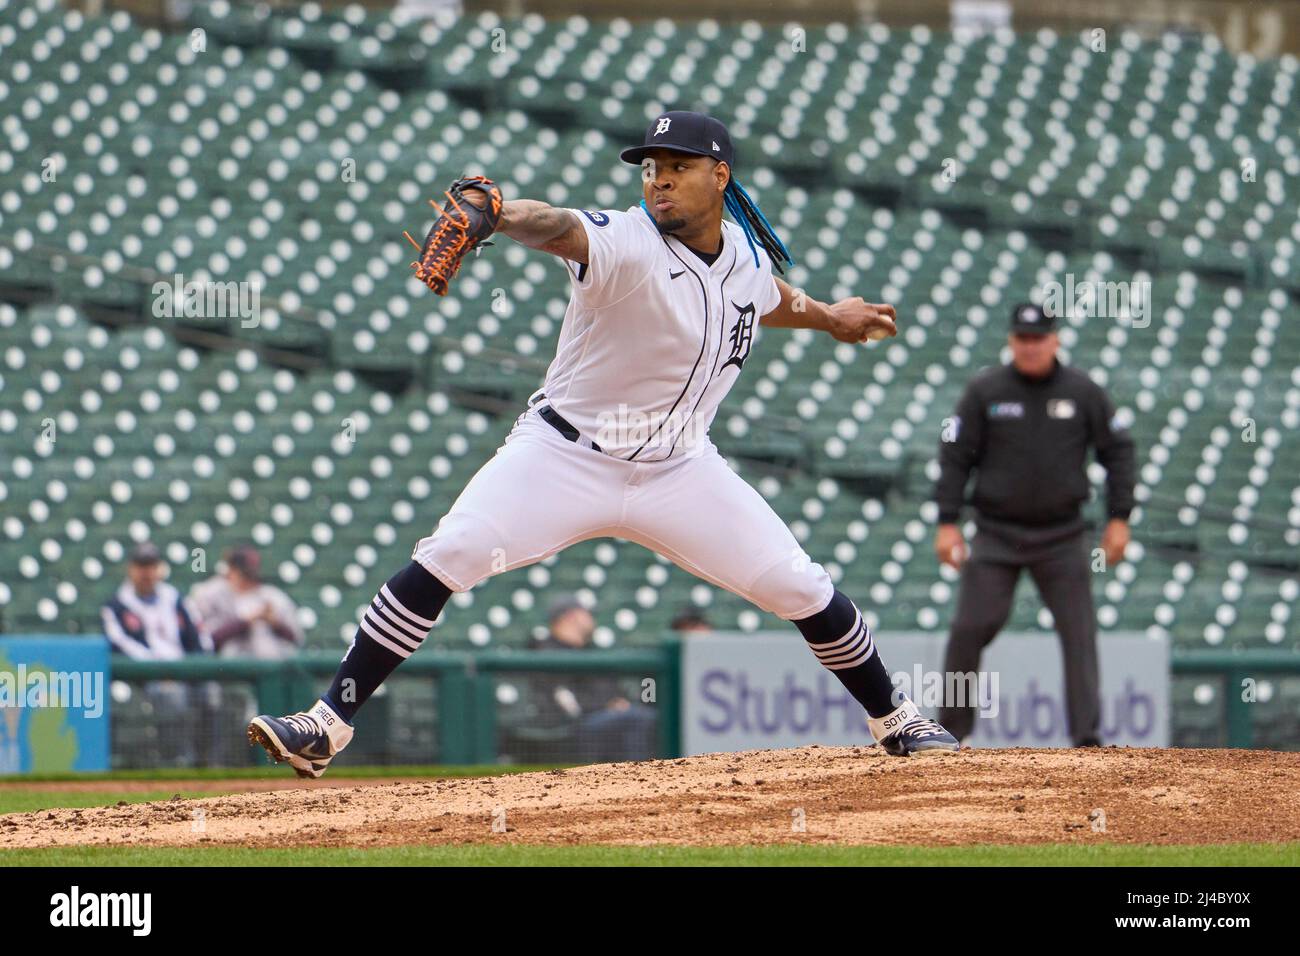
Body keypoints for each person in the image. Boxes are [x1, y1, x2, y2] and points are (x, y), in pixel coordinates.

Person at [249, 110, 960, 779]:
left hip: (680, 468)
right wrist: (497, 213)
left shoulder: (741, 253)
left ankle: (896, 720)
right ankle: (327, 723)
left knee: (801, 586)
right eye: (651, 167)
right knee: (450, 554)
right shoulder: (624, 241)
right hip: (564, 456)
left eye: (678, 166)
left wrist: (830, 316)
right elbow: (557, 226)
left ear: (721, 177)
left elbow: (767, 298)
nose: (658, 179)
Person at [932, 303, 1136, 747]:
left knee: (1078, 632)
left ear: (1054, 339)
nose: (1030, 346)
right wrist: (947, 521)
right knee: (970, 627)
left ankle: (1086, 738)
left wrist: (1119, 517)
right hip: (996, 533)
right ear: (1011, 341)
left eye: (1038, 338)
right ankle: (950, 732)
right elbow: (954, 456)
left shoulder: (1083, 391)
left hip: (1062, 535)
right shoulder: (985, 391)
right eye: (1022, 338)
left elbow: (1118, 451)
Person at [100, 542, 212, 766]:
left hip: (183, 671)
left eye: (151, 566)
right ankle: (177, 761)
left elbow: (201, 639)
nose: (146, 573)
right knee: (170, 695)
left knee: (212, 692)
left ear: (159, 568)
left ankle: (212, 761)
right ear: (130, 569)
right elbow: (121, 643)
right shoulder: (116, 605)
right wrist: (160, 670)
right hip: (146, 677)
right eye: (141, 566)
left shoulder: (176, 599)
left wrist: (193, 668)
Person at [526, 595, 656, 763]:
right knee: (640, 718)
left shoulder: (588, 650)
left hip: (600, 722)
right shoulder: (546, 651)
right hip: (570, 727)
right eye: (587, 614)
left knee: (643, 716)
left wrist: (619, 702)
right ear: (570, 616)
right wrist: (605, 706)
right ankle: (638, 779)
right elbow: (563, 699)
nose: (592, 619)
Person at [189, 545, 304, 659]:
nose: (245, 578)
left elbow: (296, 639)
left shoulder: (273, 596)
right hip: (226, 670)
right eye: (241, 572)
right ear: (231, 569)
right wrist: (244, 622)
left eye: (249, 574)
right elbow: (203, 640)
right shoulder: (210, 593)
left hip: (271, 667)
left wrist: (275, 624)